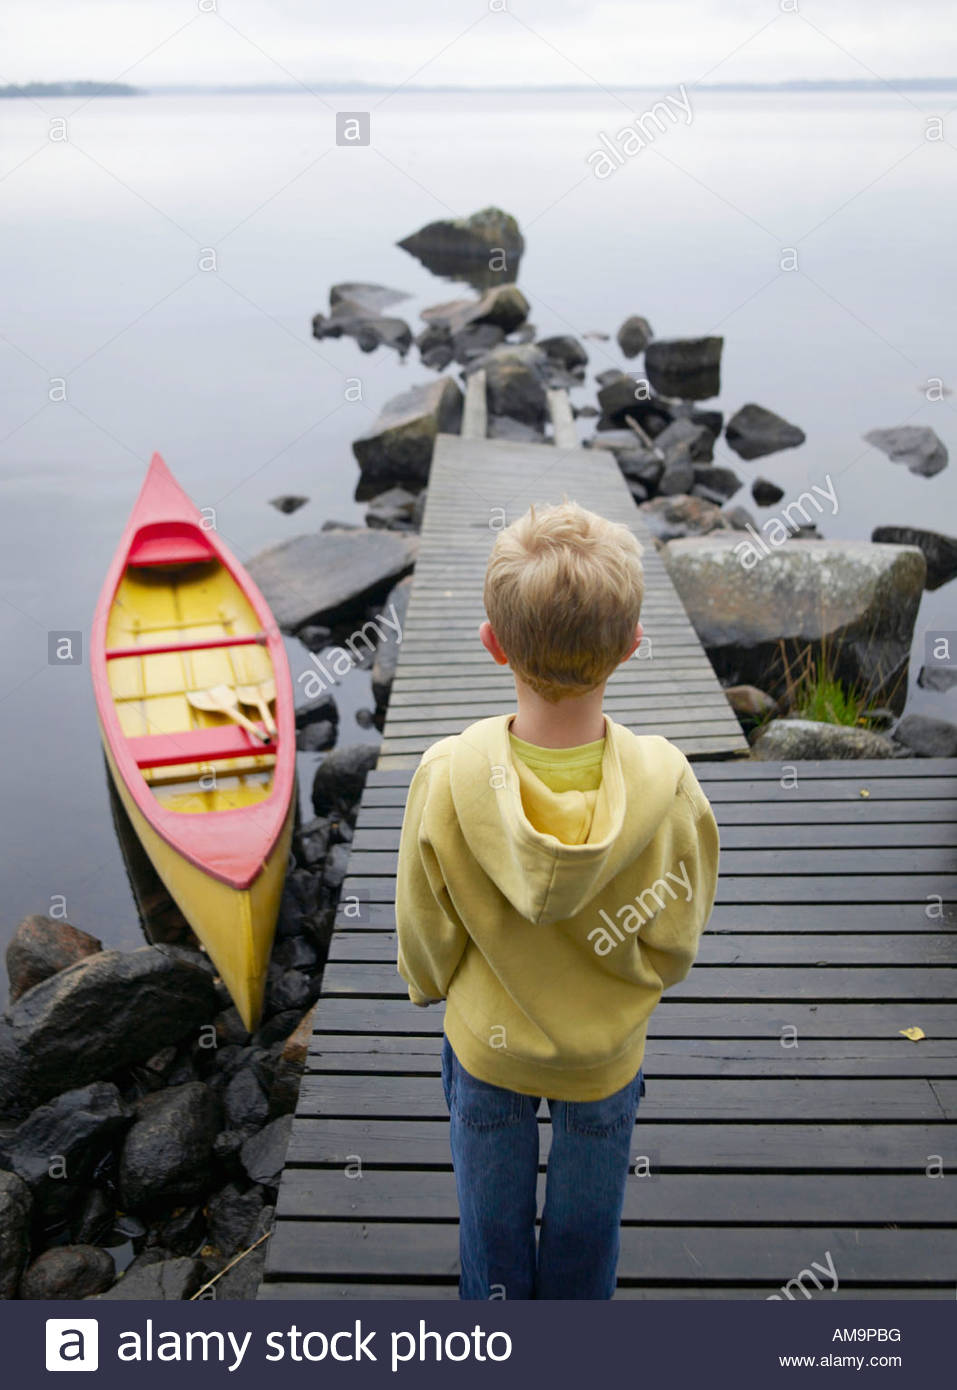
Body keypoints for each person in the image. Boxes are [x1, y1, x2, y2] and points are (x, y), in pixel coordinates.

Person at [395, 498, 720, 1299]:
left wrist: (431, 985)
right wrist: (635, 980)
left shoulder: (446, 774)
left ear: (491, 644)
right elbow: (676, 933)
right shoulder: (668, 783)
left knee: (490, 1226)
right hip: (603, 1054)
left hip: (487, 1045)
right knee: (586, 1226)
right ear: (634, 647)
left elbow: (426, 926)